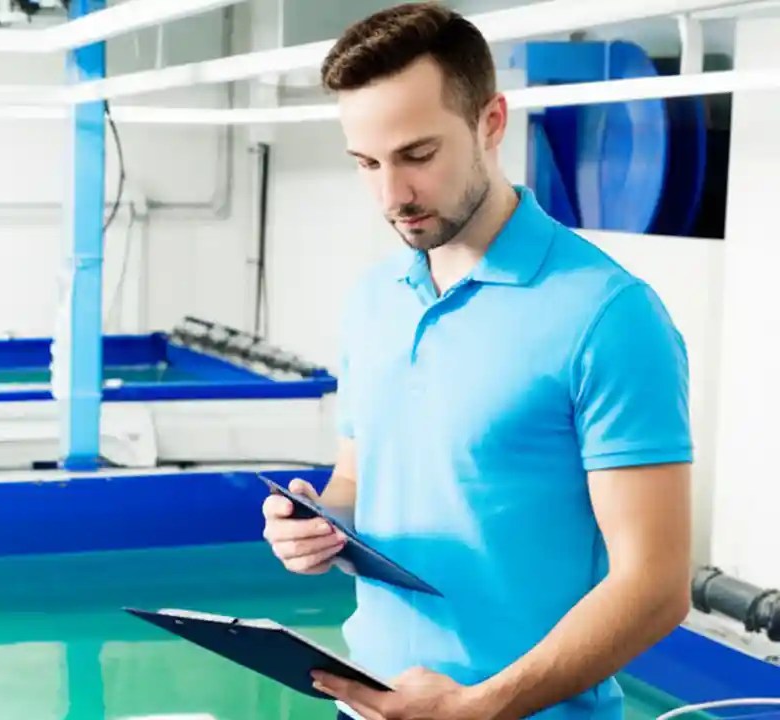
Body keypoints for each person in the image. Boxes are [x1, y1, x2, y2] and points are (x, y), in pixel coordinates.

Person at [260, 3, 694, 719]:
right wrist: (315, 522)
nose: (391, 196)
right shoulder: (374, 300)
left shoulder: (609, 316)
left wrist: (479, 706)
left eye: (417, 156)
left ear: (491, 123)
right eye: (367, 163)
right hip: (370, 702)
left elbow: (656, 586)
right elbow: (357, 474)